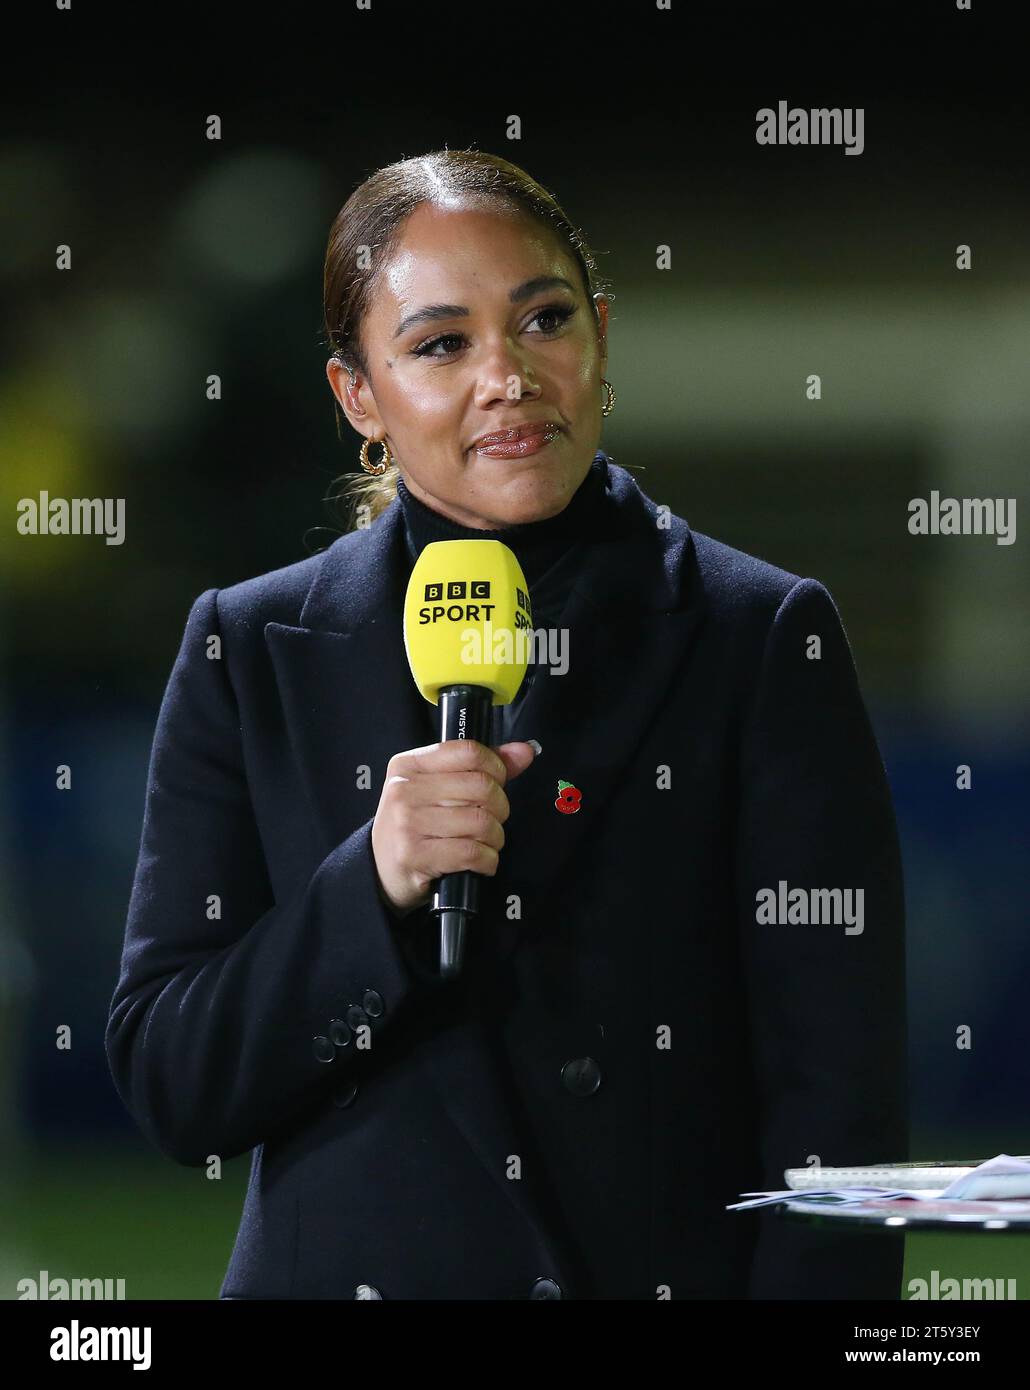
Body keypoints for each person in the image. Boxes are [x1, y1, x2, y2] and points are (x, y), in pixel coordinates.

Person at [105, 148, 908, 1300]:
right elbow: (178, 1087)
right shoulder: (248, 649)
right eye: (440, 345)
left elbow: (840, 1109)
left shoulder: (758, 635)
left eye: (543, 320)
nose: (507, 376)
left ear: (600, 339)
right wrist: (369, 887)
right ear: (358, 398)